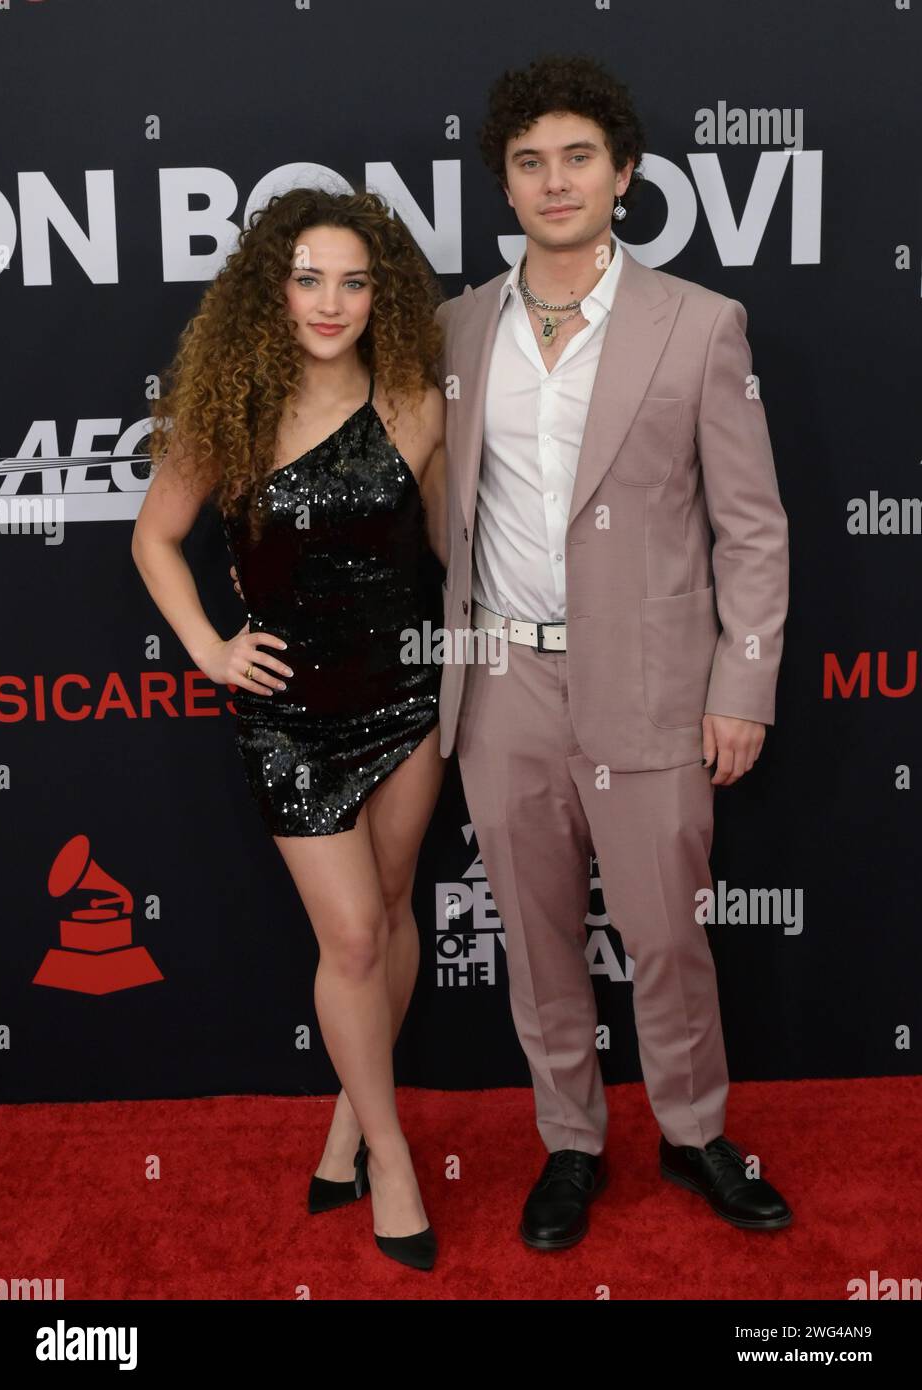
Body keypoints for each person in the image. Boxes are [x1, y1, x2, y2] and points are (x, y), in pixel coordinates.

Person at [434, 53, 793, 1249]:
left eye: (578, 157)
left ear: (625, 173)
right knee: (536, 942)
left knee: (667, 931)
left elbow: (751, 524)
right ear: (505, 182)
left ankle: (693, 1132)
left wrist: (742, 682)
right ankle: (571, 1144)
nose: (554, 181)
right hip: (501, 685)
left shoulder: (699, 324)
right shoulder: (453, 330)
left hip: (651, 685)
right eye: (530, 162)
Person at [131, 188, 448, 1271]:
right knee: (352, 935)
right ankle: (394, 1153)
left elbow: (450, 545)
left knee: (398, 906)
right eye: (309, 276)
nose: (331, 301)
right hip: (288, 718)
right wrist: (212, 648)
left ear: (382, 293)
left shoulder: (414, 402)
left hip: (405, 698)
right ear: (272, 287)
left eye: (354, 280)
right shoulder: (232, 410)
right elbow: (154, 539)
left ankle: (349, 1121)